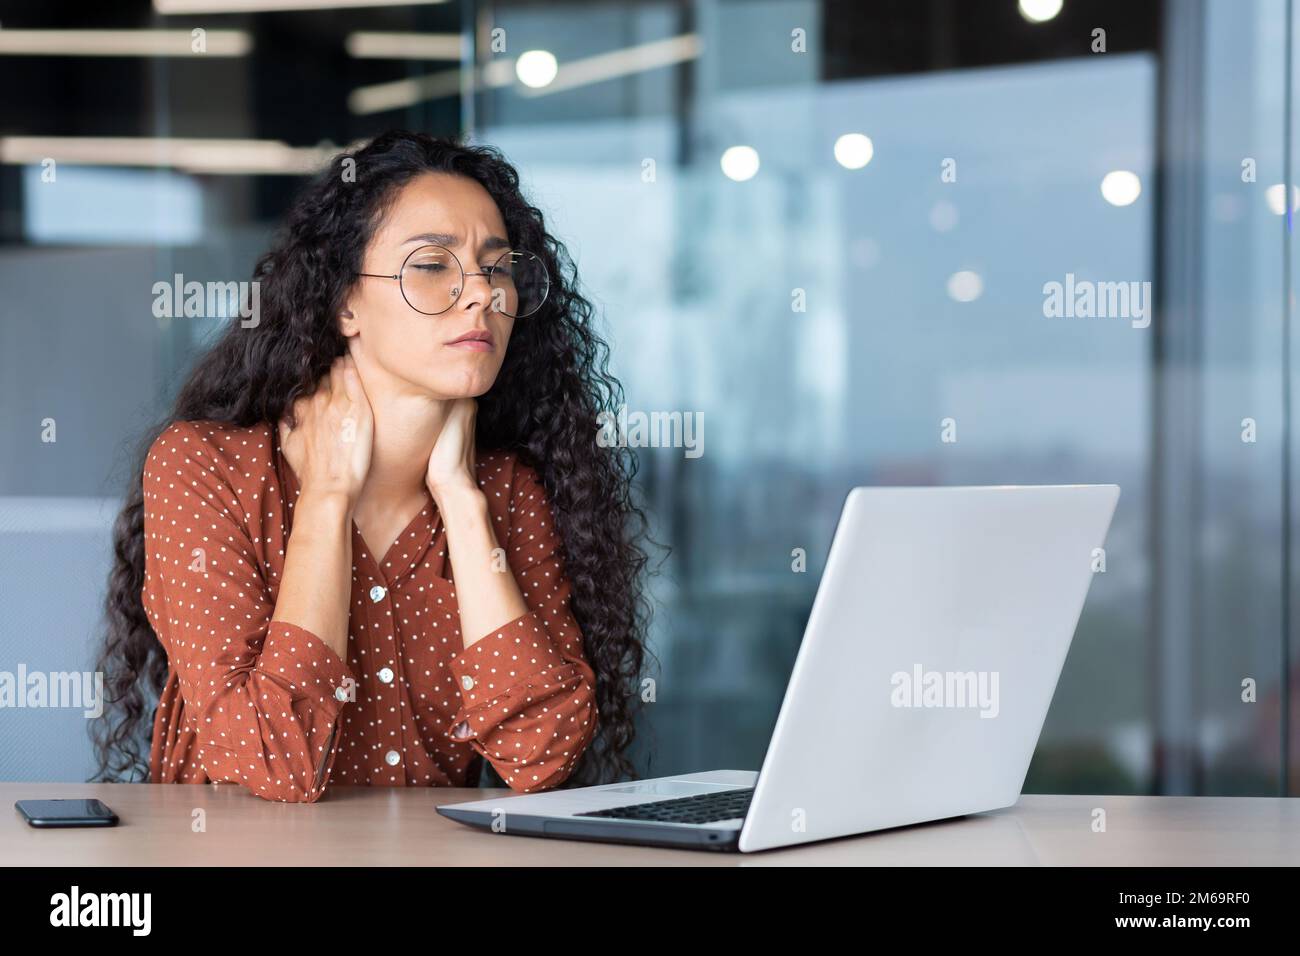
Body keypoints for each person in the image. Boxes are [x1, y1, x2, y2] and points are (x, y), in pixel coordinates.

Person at [93, 130, 651, 803]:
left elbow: (542, 756)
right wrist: (327, 498)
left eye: (496, 267)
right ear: (344, 301)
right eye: (432, 265)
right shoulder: (203, 467)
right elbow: (274, 763)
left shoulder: (505, 491)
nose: (481, 295)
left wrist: (463, 503)